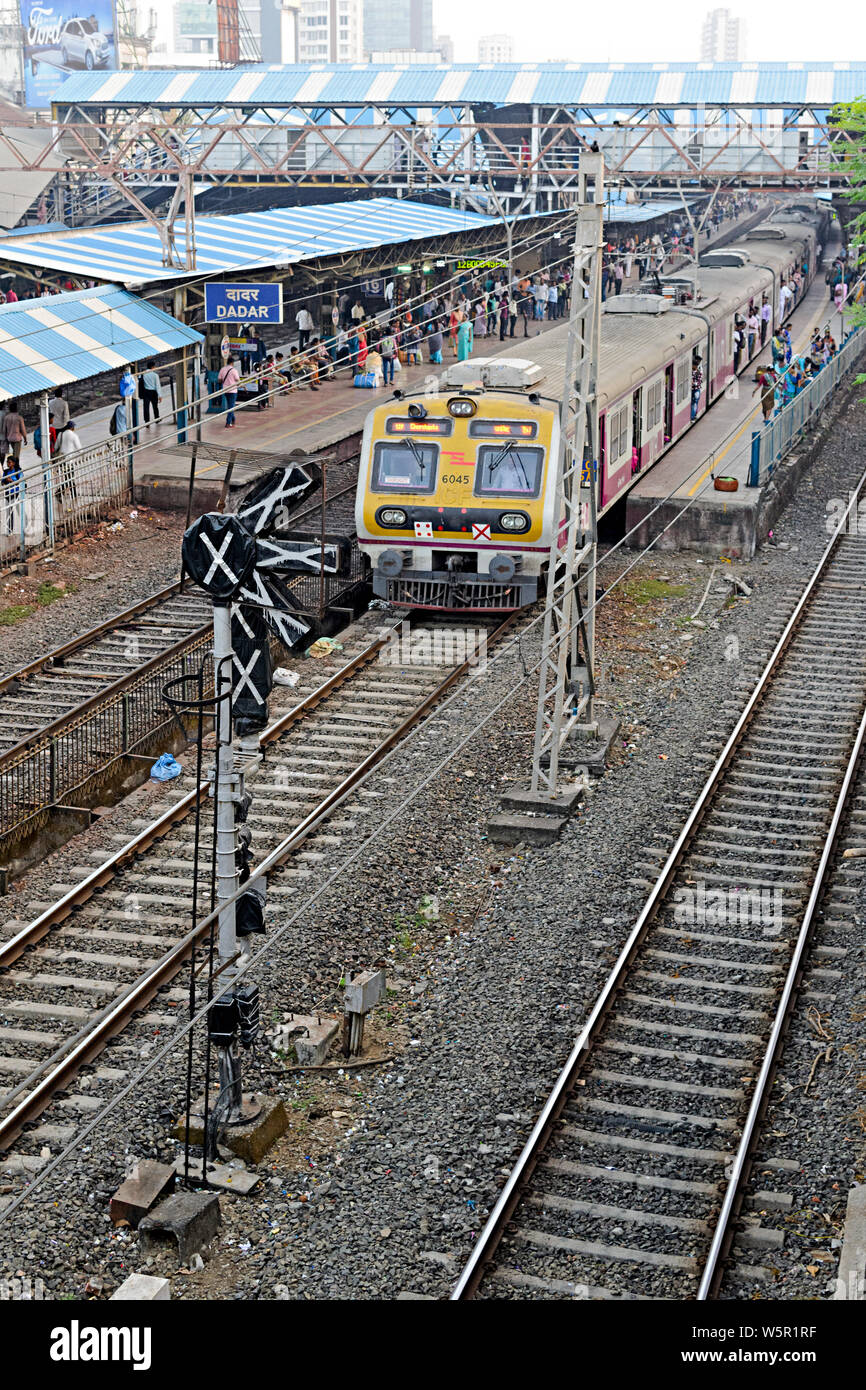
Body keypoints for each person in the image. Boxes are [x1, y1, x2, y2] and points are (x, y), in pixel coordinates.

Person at [218, 355, 240, 428]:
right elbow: (237, 380)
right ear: (232, 363)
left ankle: (233, 419)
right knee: (231, 407)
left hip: (225, 390)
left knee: (230, 405)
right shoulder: (234, 370)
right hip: (233, 391)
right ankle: (228, 423)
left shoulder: (222, 369)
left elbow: (219, 380)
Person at [139, 359, 161, 424]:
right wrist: (160, 396)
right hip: (153, 392)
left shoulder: (143, 374)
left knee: (146, 407)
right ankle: (157, 419)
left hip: (146, 392)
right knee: (155, 406)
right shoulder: (155, 375)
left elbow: (139, 381)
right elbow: (158, 386)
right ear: (152, 367)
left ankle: (147, 421)